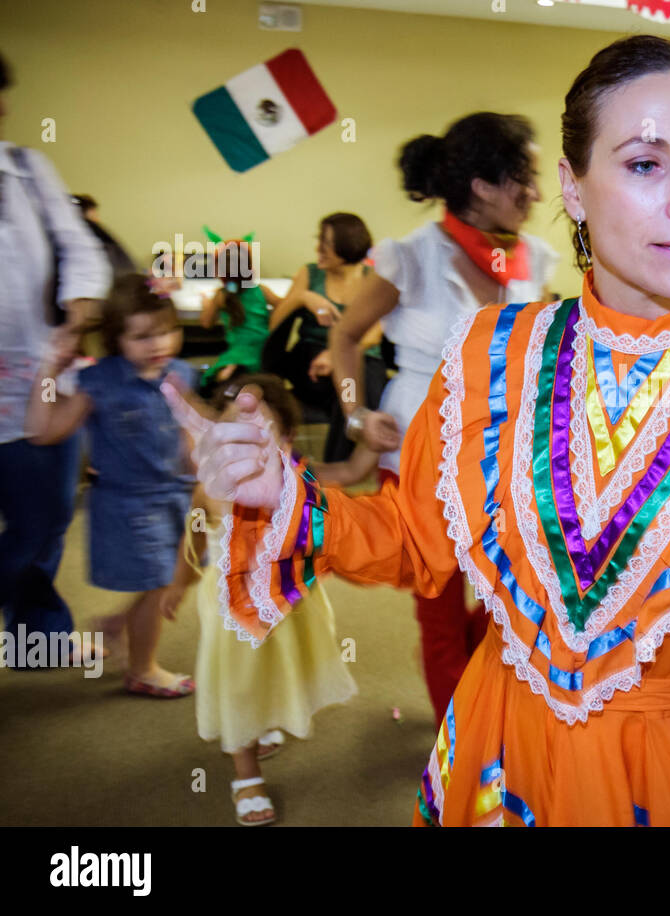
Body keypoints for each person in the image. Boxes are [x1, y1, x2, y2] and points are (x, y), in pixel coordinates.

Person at [166, 34, 670, 827]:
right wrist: (289, 496)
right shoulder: (492, 356)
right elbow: (415, 540)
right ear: (572, 185)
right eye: (643, 163)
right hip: (498, 751)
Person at [329, 116, 556, 724]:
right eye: (524, 180)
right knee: (437, 601)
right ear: (482, 186)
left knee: (520, 595)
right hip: (418, 452)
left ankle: (459, 652)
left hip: (504, 451)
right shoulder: (411, 257)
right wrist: (356, 413)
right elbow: (347, 338)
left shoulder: (533, 257)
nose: (535, 194)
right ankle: (460, 760)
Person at [185, 374, 357, 826]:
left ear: (287, 438)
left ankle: (262, 724)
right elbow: (196, 541)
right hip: (235, 605)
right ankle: (245, 775)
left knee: (281, 668)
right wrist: (173, 586)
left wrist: (371, 441)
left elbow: (351, 476)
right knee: (239, 683)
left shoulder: (298, 475)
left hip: (291, 601)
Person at [26, 274, 197, 696]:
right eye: (141, 337)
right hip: (131, 504)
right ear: (116, 338)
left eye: (166, 332)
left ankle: (118, 623)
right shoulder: (99, 382)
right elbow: (43, 431)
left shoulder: (179, 373)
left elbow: (189, 432)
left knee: (186, 571)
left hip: (178, 493)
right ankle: (144, 670)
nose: (157, 345)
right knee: (159, 586)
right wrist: (50, 371)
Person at [0, 50, 111, 666]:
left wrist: (78, 313)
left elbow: (81, 249)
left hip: (42, 380)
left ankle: (35, 640)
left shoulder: (26, 166)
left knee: (43, 523)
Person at [264, 213, 385, 460]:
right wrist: (302, 298)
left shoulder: (373, 280)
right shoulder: (310, 275)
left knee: (352, 388)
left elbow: (375, 332)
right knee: (352, 391)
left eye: (325, 243)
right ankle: (340, 476)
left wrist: (338, 356)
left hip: (358, 359)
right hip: (312, 359)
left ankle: (335, 473)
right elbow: (275, 326)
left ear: (346, 248)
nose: (318, 249)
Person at [197, 241, 283, 397]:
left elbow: (206, 323)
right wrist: (271, 323)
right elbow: (283, 306)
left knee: (208, 384)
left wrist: (206, 302)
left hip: (239, 351)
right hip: (263, 349)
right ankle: (239, 374)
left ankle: (232, 371)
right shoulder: (261, 291)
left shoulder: (221, 295)